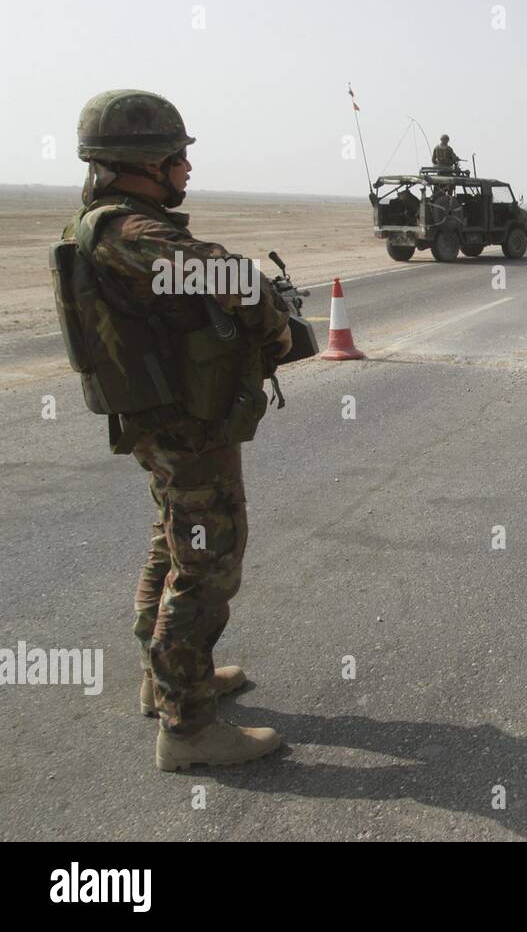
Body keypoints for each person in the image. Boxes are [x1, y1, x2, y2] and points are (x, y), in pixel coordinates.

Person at [63, 89, 291, 771]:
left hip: (165, 419)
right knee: (208, 560)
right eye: (176, 157)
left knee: (174, 544)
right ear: (143, 163)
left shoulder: (112, 225)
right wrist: (273, 324)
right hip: (184, 426)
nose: (185, 169)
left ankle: (167, 679)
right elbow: (228, 276)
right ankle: (188, 728)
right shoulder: (129, 232)